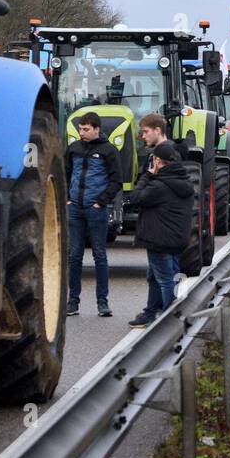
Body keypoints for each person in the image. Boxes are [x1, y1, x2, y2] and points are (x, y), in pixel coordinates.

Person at [127, 140, 194, 327]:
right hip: (175, 239)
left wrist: (147, 175)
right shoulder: (183, 181)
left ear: (158, 161)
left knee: (164, 280)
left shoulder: (159, 186)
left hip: (159, 240)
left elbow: (135, 198)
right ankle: (150, 312)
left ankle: (169, 322)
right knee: (158, 276)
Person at [66, 112, 125, 317]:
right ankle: (72, 302)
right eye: (80, 129)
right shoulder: (73, 149)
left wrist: (101, 202)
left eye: (86, 129)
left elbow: (117, 180)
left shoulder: (108, 150)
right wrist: (67, 197)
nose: (82, 133)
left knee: (99, 255)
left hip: (95, 209)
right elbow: (65, 173)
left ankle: (102, 302)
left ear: (97, 129)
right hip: (75, 209)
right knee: (74, 256)